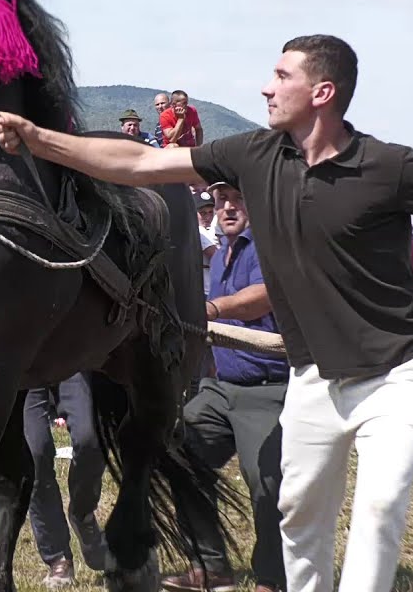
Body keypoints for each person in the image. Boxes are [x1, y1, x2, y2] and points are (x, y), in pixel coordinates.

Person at [0, 34, 413, 591]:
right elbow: (140, 165)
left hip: (397, 373)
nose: (266, 88)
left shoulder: (390, 166)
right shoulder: (253, 155)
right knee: (298, 514)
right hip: (313, 378)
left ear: (322, 93)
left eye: (280, 75)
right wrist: (39, 139)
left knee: (377, 510)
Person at [161, 182, 286, 592]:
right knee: (177, 452)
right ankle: (210, 566)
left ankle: (274, 578)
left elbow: (260, 298)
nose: (228, 208)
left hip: (270, 386)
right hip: (221, 387)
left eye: (236, 199)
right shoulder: (221, 255)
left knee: (266, 482)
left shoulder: (267, 244)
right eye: (220, 202)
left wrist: (206, 308)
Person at [23, 373, 107, 587]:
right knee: (35, 455)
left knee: (90, 439)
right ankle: (57, 557)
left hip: (69, 358)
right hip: (24, 368)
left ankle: (82, 513)